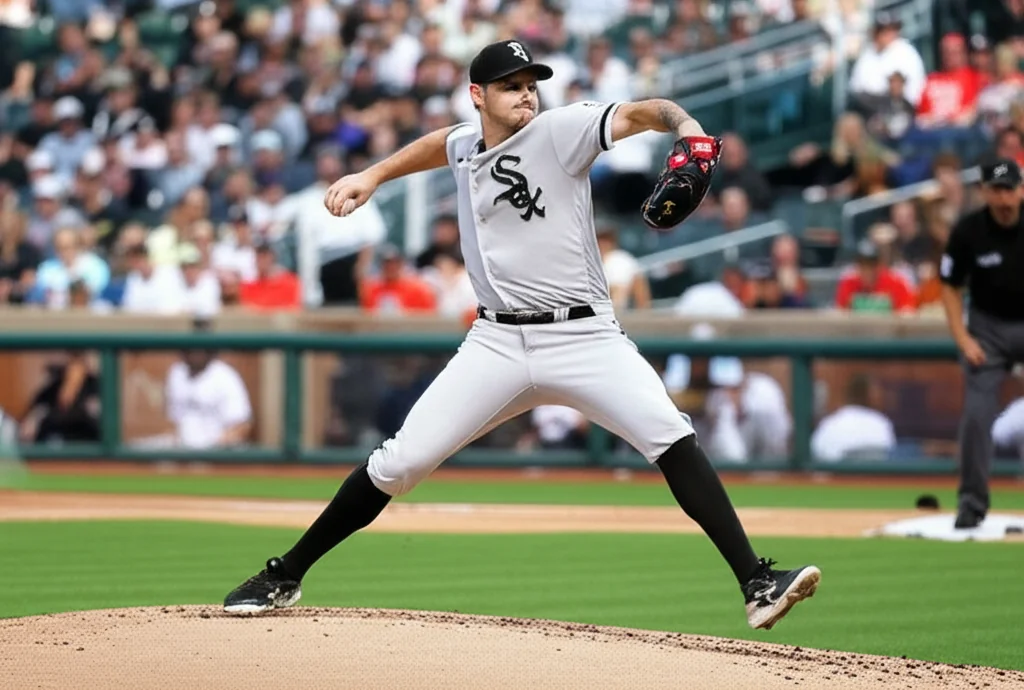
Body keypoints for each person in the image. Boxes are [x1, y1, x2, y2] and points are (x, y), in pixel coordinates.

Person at [223, 40, 820, 630]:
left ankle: (756, 582)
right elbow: (444, 144)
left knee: (670, 435)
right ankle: (286, 573)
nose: (526, 94)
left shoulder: (561, 130)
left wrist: (686, 126)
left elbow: (646, 111)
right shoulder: (465, 141)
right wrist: (374, 174)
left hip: (584, 335)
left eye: (531, 83)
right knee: (400, 463)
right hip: (496, 344)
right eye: (511, 85)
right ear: (478, 95)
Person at [939, 157, 1024, 529]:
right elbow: (950, 287)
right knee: (976, 415)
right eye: (998, 191)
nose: (1005, 199)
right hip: (987, 328)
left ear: (1021, 189)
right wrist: (962, 337)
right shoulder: (969, 231)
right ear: (985, 192)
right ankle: (972, 504)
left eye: (1011, 190)